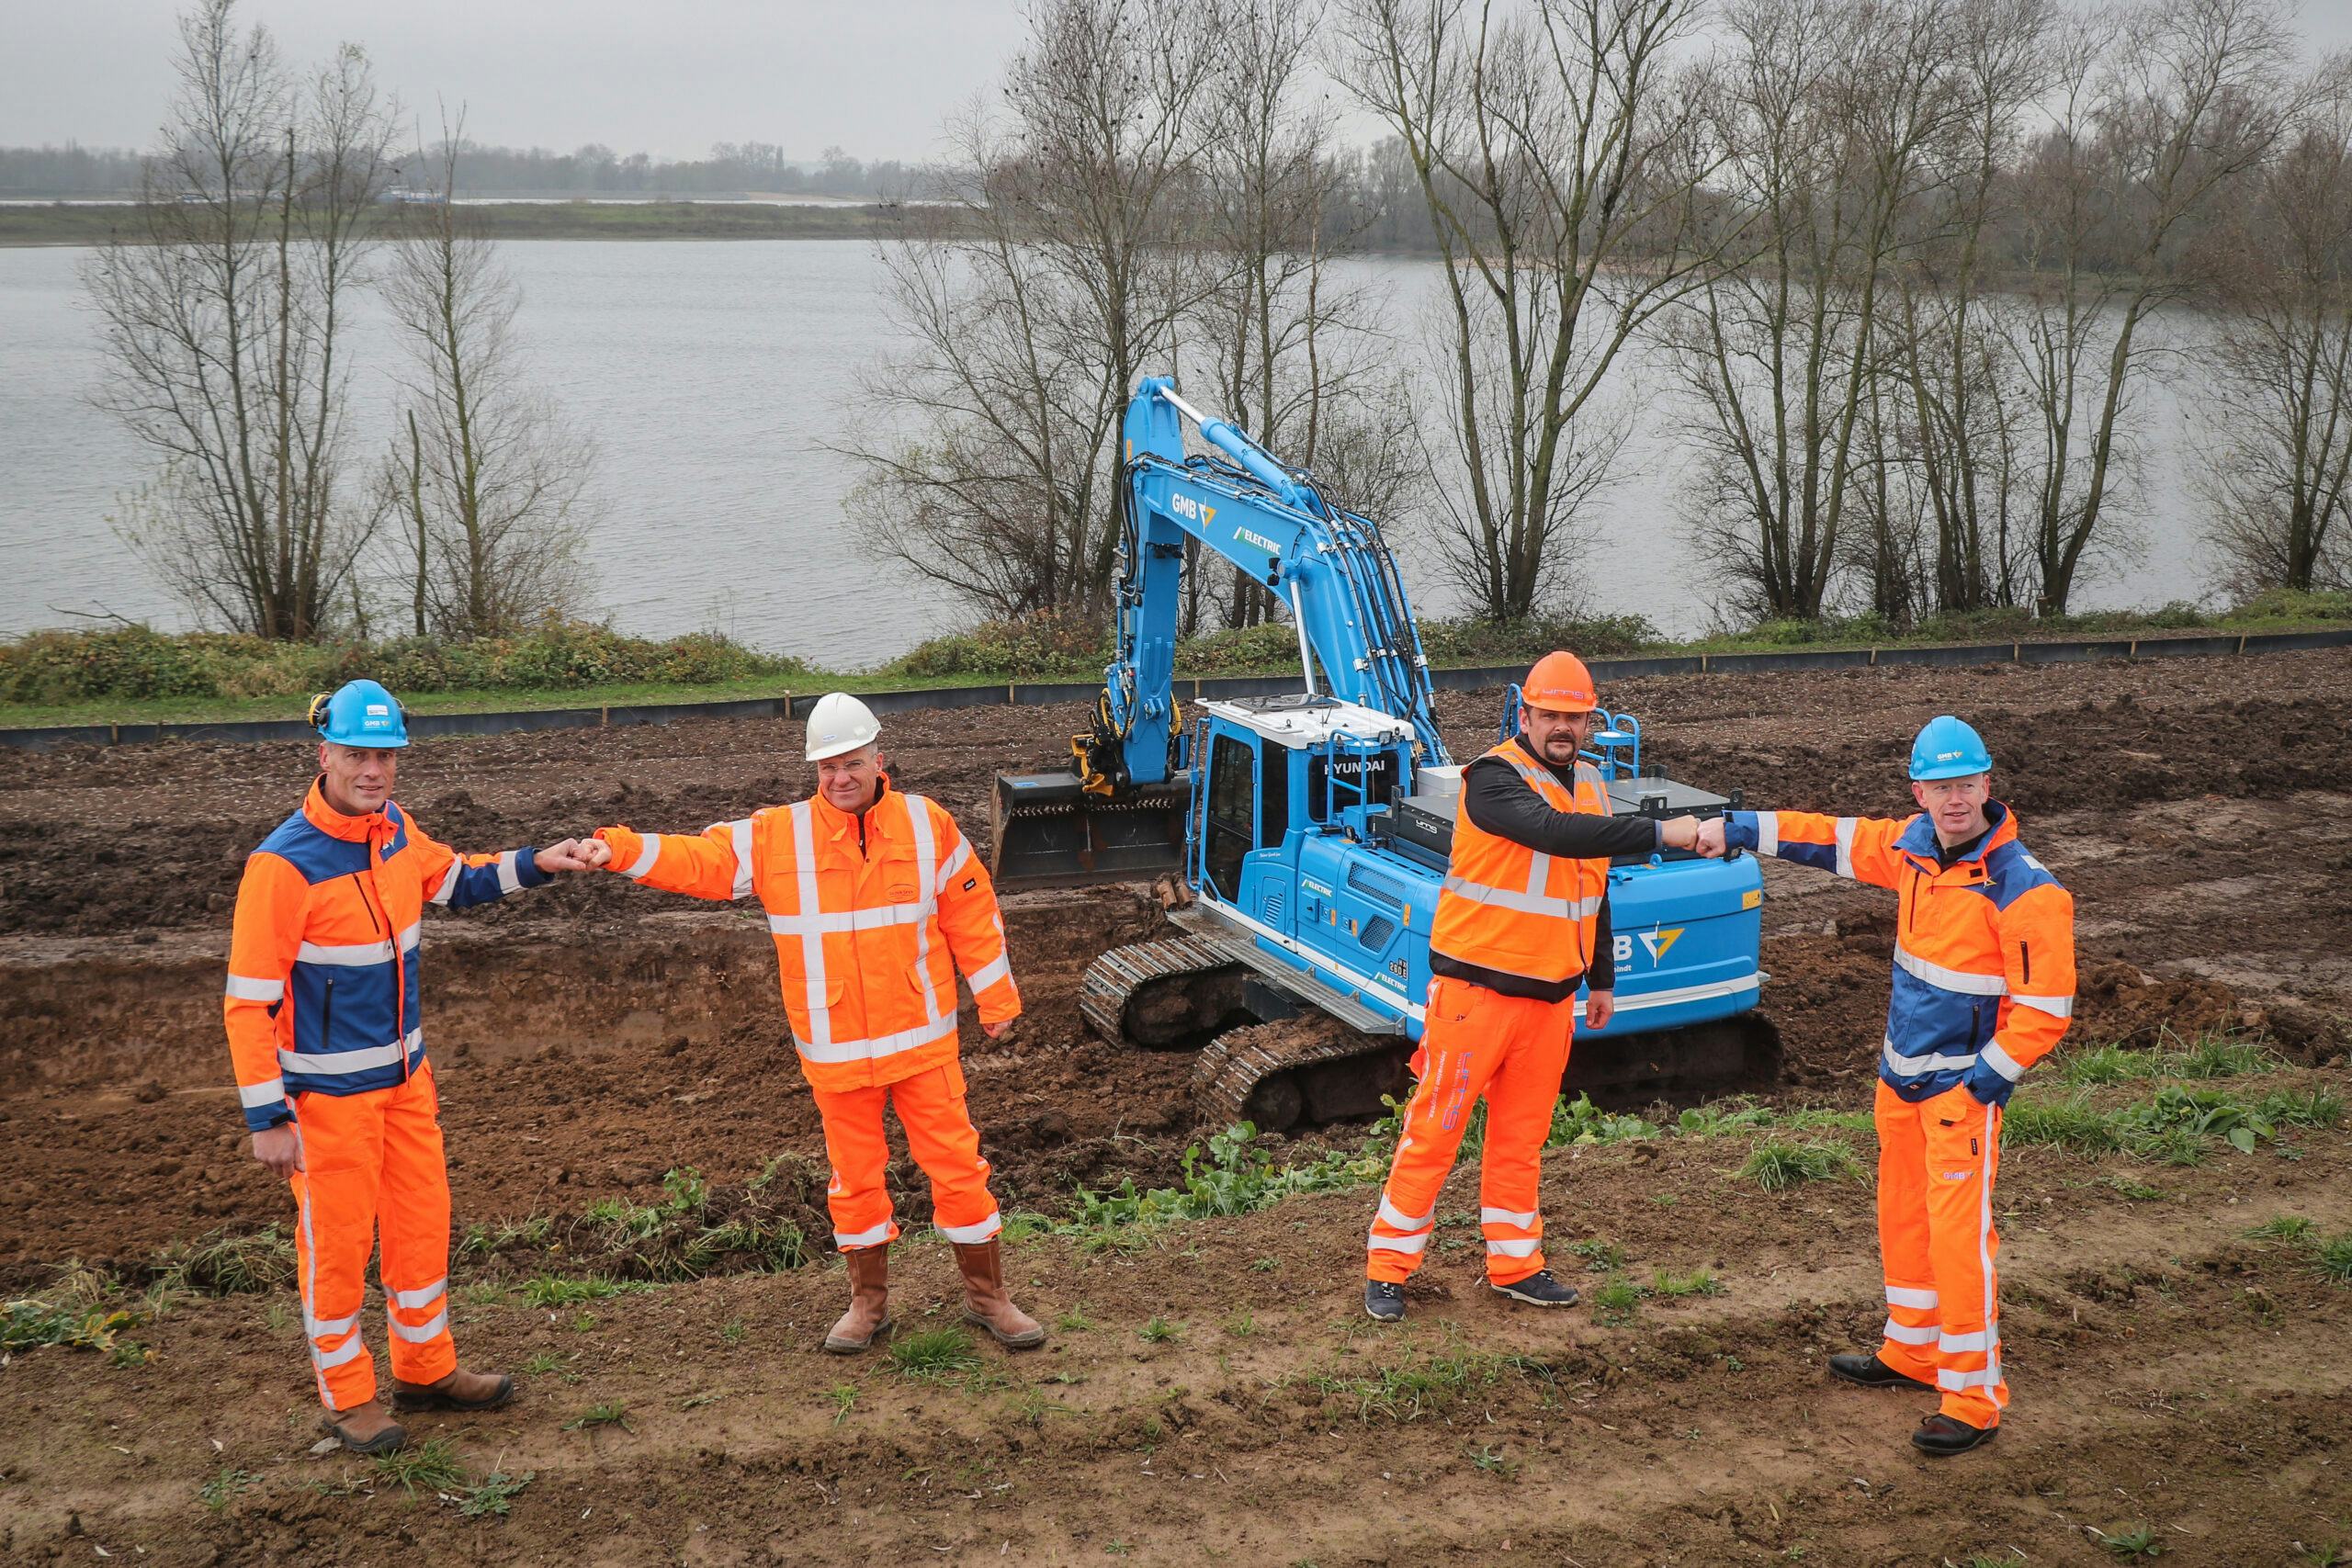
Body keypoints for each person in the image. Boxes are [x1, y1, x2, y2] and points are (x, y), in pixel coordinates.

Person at [582, 691, 1042, 1355]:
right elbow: (703, 860)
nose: (839, 777)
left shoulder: (927, 823)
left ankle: (988, 1297)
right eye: (827, 766)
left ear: (878, 759)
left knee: (959, 1169)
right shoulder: (779, 834)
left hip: (923, 1044)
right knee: (854, 1181)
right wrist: (619, 849)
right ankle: (868, 1304)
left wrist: (996, 999)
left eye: (851, 762)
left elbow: (971, 912)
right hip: (837, 1050)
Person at [224, 681, 595, 1454]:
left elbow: (455, 877)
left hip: (405, 1086)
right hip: (327, 1103)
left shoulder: (394, 831)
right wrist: (268, 1117)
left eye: (386, 756)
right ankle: (348, 1397)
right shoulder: (282, 865)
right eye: (357, 754)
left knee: (422, 1229)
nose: (373, 770)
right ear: (324, 754)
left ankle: (425, 1370)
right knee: (337, 1249)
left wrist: (538, 863)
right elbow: (248, 1003)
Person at [1694, 715, 2075, 1456]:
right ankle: (1913, 1349)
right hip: (1900, 1086)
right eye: (1940, 786)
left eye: (1965, 784)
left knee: (1960, 1243)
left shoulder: (2025, 889)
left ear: (1987, 786)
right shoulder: (1911, 851)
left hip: (1959, 1099)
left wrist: (1979, 1086)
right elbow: (1825, 836)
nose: (1954, 799)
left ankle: (1973, 1398)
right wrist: (1736, 826)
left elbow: (2045, 1012)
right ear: (1918, 792)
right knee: (1903, 1220)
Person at [1364, 652, 1705, 1322]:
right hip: (1475, 997)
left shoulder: (1591, 783)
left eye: (1574, 718)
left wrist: (1600, 979)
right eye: (1549, 715)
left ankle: (1516, 1265)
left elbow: (1593, 886)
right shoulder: (1493, 778)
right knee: (1434, 1133)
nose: (1562, 728)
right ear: (1524, 716)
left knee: (1520, 1142)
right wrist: (1662, 831)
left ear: (1589, 724)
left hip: (1551, 1001)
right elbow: (1553, 833)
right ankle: (1388, 1269)